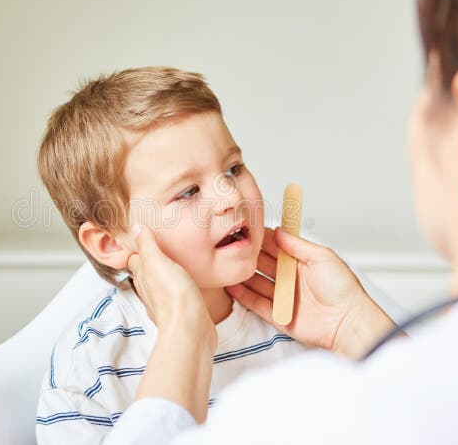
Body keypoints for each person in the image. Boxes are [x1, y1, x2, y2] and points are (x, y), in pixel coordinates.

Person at [105, 0, 458, 443]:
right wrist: (352, 324)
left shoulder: (298, 415)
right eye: (188, 191)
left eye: (426, 86)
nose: (226, 198)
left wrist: (183, 335)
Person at [34, 67, 316, 443]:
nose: (230, 196)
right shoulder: (88, 370)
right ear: (112, 243)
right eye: (188, 192)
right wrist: (185, 336)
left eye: (233, 168)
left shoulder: (305, 310)